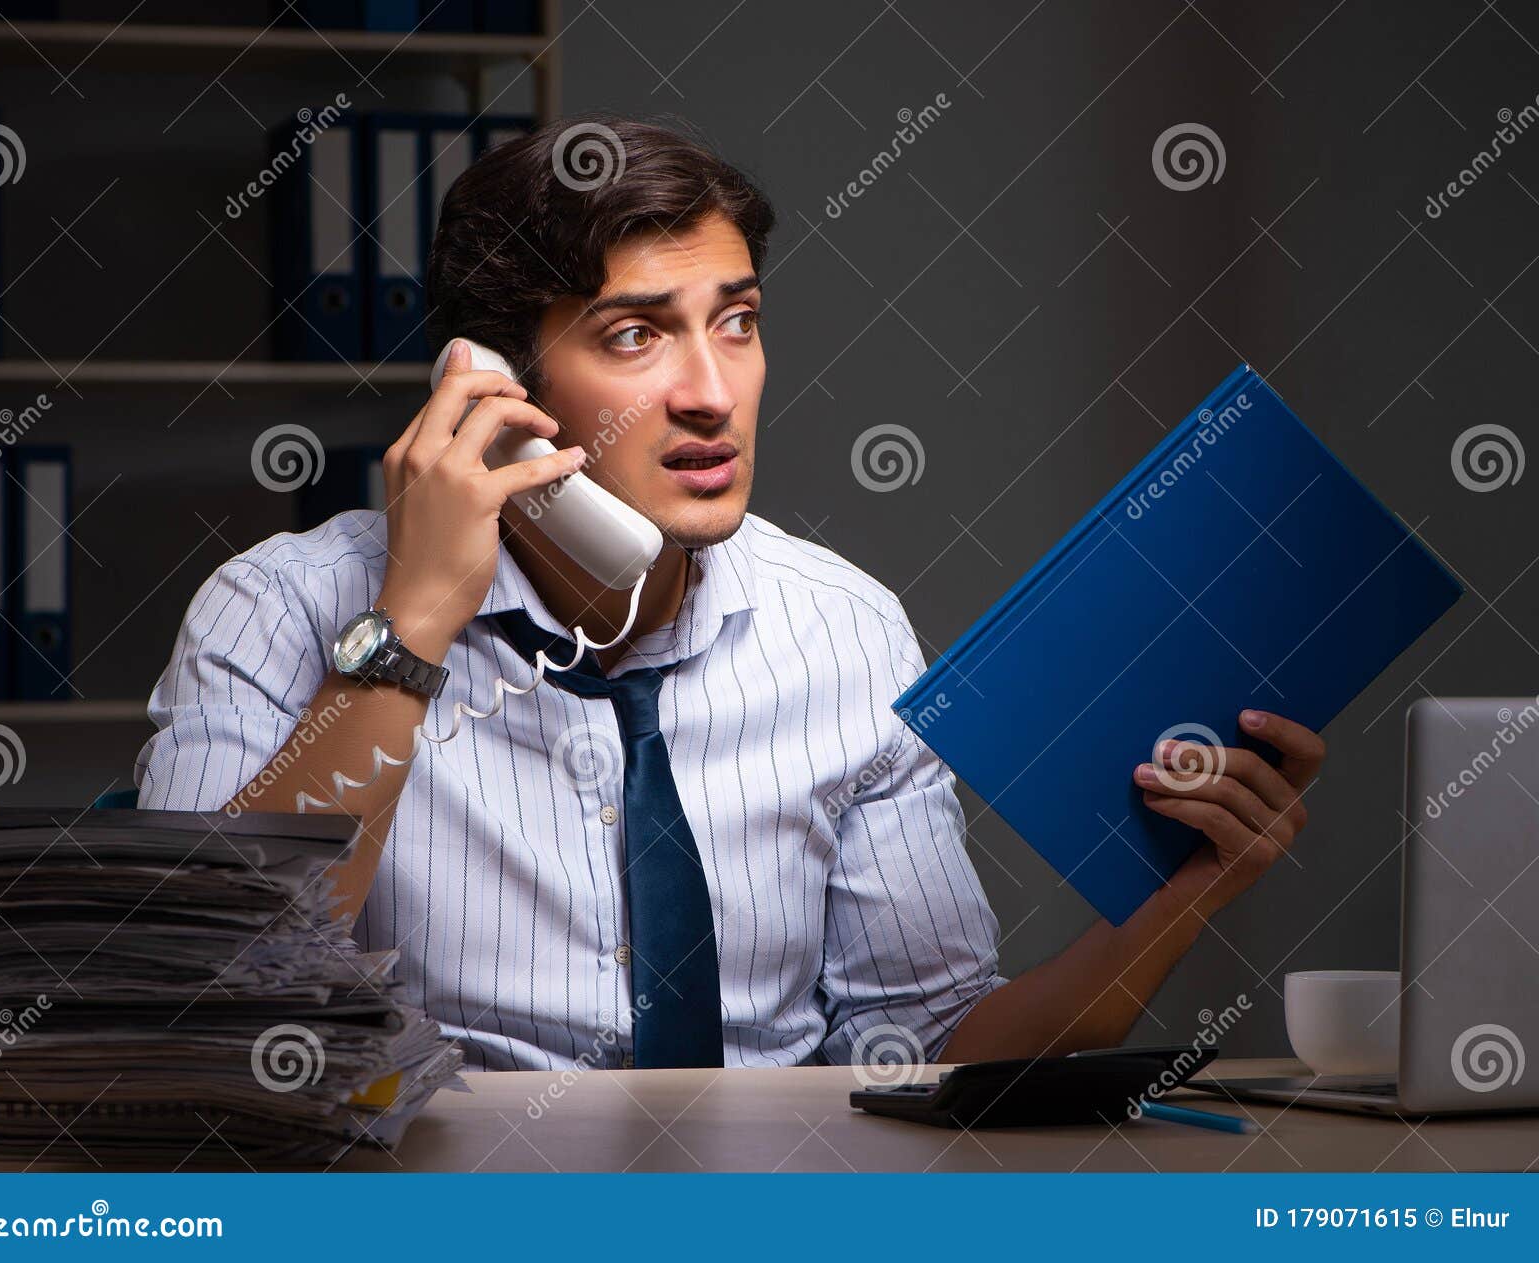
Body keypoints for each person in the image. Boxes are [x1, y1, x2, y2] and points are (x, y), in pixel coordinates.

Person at [137, 113, 1325, 1071]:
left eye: (738, 323)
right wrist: (411, 628)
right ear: (495, 385)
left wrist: (1185, 893)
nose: (712, 391)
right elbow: (214, 1002)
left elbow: (927, 1056)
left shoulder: (844, 628)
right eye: (635, 337)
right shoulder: (276, 611)